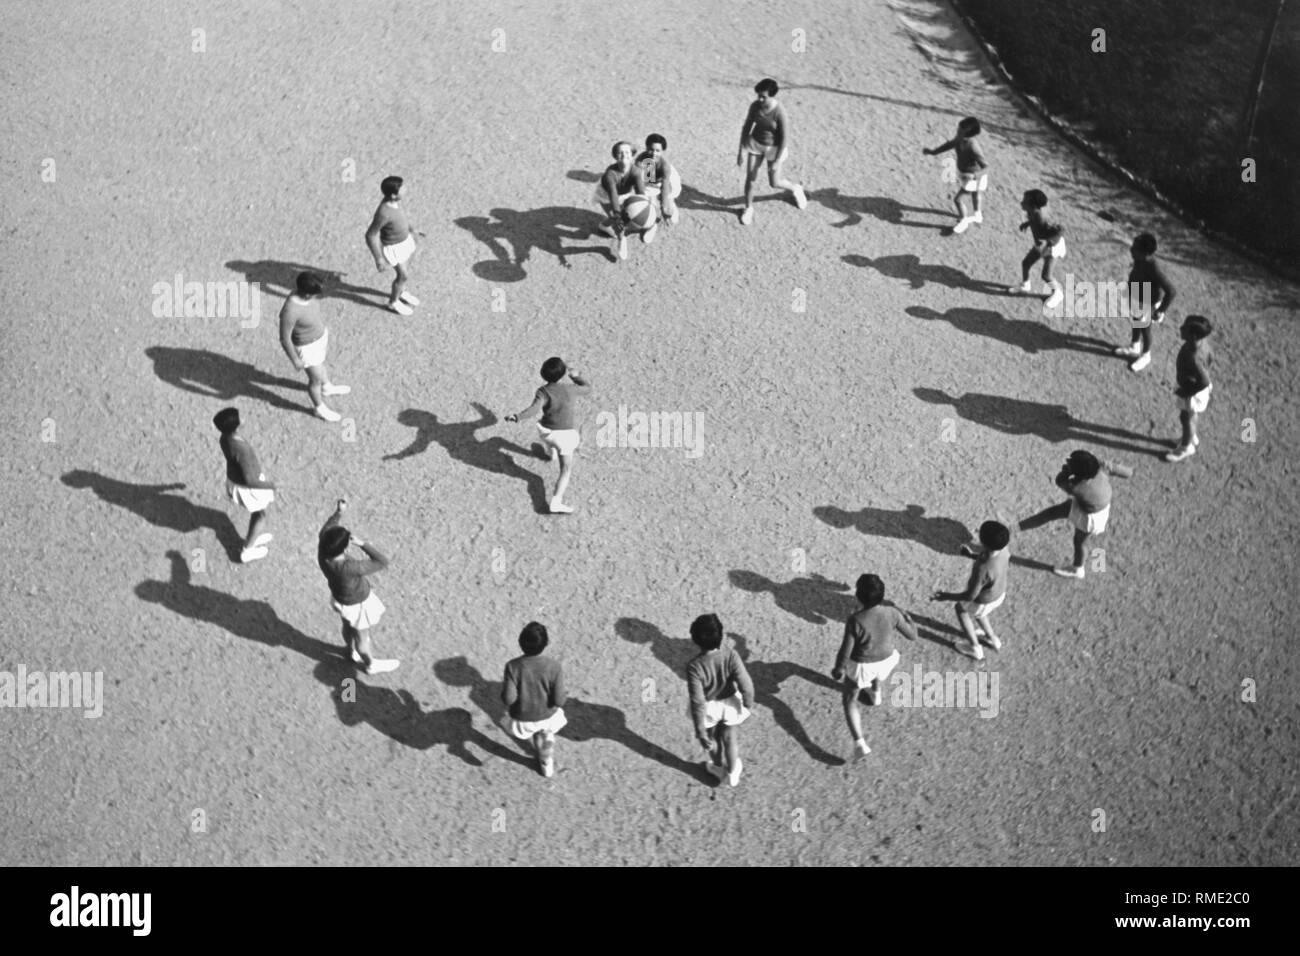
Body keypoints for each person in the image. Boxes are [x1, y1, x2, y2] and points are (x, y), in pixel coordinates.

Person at [832, 574, 917, 759]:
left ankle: (860, 744)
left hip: (862, 665)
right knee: (878, 673)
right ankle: (876, 694)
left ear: (858, 596)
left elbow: (846, 651)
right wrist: (909, 620)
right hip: (887, 660)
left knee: (849, 699)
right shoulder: (892, 612)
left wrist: (839, 669)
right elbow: (912, 636)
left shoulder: (855, 620)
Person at [1018, 450, 1133, 579]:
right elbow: (1127, 472)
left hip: (1089, 516)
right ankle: (1016, 527)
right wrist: (1103, 463)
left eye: (1070, 463)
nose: (1067, 461)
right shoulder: (1102, 468)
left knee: (1079, 542)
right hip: (1096, 506)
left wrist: (1066, 472)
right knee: (1052, 513)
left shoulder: (1077, 487)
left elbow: (1060, 481)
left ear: (1079, 474)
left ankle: (1078, 570)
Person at [318, 497, 399, 674]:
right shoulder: (350, 568)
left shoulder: (322, 552)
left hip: (340, 599)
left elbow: (326, 530)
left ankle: (349, 651)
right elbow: (382, 561)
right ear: (345, 549)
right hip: (357, 604)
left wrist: (338, 513)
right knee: (362, 637)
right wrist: (362, 544)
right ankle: (370, 663)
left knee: (347, 627)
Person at [505, 357, 592, 514]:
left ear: (543, 373)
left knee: (550, 440)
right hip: (564, 437)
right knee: (565, 470)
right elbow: (587, 388)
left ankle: (551, 452)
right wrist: (575, 376)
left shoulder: (543, 392)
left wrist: (517, 416)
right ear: (562, 374)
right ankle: (556, 502)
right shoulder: (570, 389)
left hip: (546, 433)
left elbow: (533, 409)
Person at [686, 613, 755, 787]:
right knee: (730, 738)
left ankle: (717, 767)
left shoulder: (694, 666)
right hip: (730, 702)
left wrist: (700, 731)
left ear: (695, 639)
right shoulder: (731, 655)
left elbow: (697, 701)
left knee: (711, 739)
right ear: (721, 635)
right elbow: (746, 683)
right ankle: (732, 773)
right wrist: (747, 702)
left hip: (709, 708)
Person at [932, 520, 1011, 660]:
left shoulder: (983, 568)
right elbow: (988, 555)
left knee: (961, 609)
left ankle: (975, 648)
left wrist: (946, 596)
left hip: (983, 600)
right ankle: (992, 639)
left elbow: (970, 596)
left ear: (983, 542)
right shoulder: (1004, 550)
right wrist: (971, 555)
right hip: (999, 594)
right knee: (980, 614)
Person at [277, 272, 350, 422]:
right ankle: (319, 408)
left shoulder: (306, 295)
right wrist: (295, 360)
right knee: (314, 380)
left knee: (321, 367)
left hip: (319, 339)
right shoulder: (290, 312)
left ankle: (327, 387)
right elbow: (284, 339)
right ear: (307, 293)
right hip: (307, 347)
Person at [500, 621, 568, 778]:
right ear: (546, 643)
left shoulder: (512, 666)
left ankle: (543, 755)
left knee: (535, 733)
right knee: (543, 731)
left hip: (523, 718)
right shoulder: (554, 666)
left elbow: (509, 699)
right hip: (548, 715)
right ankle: (546, 759)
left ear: (520, 643)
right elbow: (559, 701)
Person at [736, 78, 807, 225]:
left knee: (774, 183)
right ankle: (748, 208)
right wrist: (741, 151)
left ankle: (795, 188)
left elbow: (784, 138)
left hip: (773, 148)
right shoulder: (755, 106)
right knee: (751, 178)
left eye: (764, 96)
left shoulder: (779, 112)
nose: (760, 99)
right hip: (755, 144)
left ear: (772, 95)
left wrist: (776, 161)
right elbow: (746, 127)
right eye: (759, 96)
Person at [213, 407, 275, 563]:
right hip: (247, 487)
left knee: (258, 513)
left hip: (235, 481)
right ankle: (247, 551)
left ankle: (251, 539)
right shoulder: (241, 449)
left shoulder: (224, 438)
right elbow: (250, 481)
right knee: (260, 515)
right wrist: (271, 485)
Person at [1113, 232, 1176, 373]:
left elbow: (1171, 291)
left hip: (1148, 301)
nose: (1131, 250)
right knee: (1136, 321)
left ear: (1146, 253)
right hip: (1138, 295)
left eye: (1135, 249)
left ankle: (1146, 355)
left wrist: (1160, 310)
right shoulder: (1139, 259)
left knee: (1145, 329)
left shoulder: (1154, 268)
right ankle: (1134, 347)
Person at [365, 175, 420, 316]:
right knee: (403, 276)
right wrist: (378, 259)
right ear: (394, 195)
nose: (406, 189)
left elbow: (402, 217)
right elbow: (370, 235)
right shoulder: (384, 213)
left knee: (405, 271)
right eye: (403, 188)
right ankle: (393, 302)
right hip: (394, 247)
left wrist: (412, 229)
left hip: (403, 241)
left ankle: (401, 291)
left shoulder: (395, 202)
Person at [922, 116, 988, 234]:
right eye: (958, 130)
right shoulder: (960, 139)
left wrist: (976, 179)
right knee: (975, 194)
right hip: (965, 174)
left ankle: (963, 221)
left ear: (968, 134)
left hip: (971, 177)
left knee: (958, 200)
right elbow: (949, 145)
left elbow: (985, 165)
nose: (957, 133)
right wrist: (933, 152)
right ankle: (978, 214)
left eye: (960, 132)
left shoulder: (973, 146)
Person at [1008, 189, 1066, 311]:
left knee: (1046, 275)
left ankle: (1058, 293)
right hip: (1041, 245)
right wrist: (1027, 224)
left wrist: (1047, 242)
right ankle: (1025, 285)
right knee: (1026, 263)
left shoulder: (1043, 217)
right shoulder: (1032, 213)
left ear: (1034, 206)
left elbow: (1060, 231)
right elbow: (1033, 220)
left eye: (1024, 201)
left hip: (1052, 247)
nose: (1021, 202)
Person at [1166, 315, 1213, 462]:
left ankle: (1186, 447)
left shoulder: (1194, 356)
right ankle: (1191, 436)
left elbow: (1204, 381)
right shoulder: (1203, 343)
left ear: (1193, 335)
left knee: (1185, 417)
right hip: (1194, 388)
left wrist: (1187, 392)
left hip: (1193, 392)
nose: (1180, 328)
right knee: (1191, 416)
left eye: (1184, 328)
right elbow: (1211, 358)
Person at [594, 141, 650, 260]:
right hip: (606, 195)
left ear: (632, 154)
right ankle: (622, 240)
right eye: (620, 153)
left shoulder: (636, 171)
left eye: (627, 152)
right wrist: (617, 213)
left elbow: (641, 191)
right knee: (618, 219)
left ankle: (603, 226)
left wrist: (645, 203)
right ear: (615, 156)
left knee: (620, 217)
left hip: (624, 194)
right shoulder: (610, 174)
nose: (624, 155)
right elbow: (612, 194)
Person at [638, 133, 681, 225]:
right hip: (654, 178)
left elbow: (665, 188)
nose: (654, 153)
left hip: (669, 183)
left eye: (657, 150)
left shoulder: (665, 167)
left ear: (663, 151)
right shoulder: (643, 160)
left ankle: (671, 204)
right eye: (651, 149)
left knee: (672, 218)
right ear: (646, 148)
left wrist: (664, 207)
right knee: (649, 201)